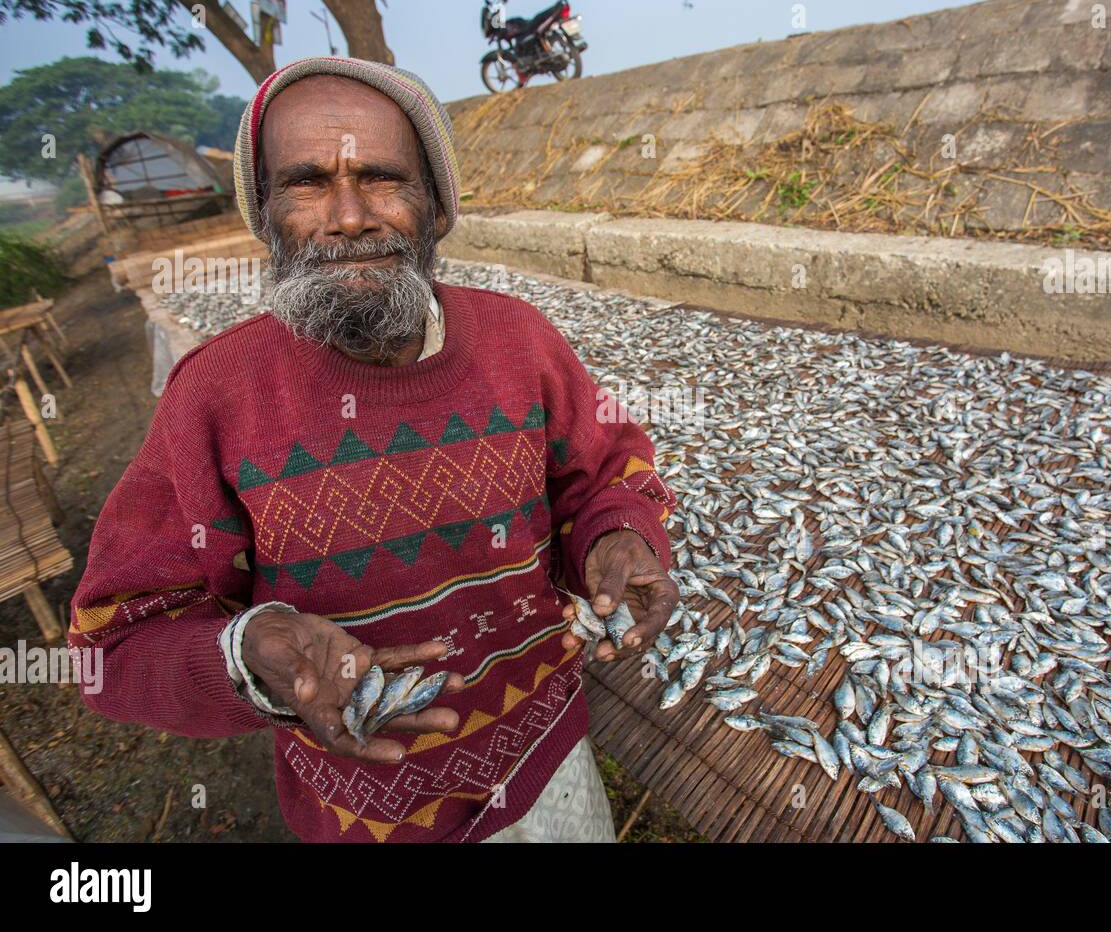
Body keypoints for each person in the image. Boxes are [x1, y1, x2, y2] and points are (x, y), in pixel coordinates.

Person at [69, 57, 678, 843]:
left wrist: (619, 532)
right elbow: (111, 644)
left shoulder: (518, 340)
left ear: (436, 208)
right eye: (307, 182)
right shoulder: (213, 398)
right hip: (364, 809)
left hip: (546, 758)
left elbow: (606, 468)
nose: (349, 216)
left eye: (384, 178)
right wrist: (248, 655)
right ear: (266, 218)